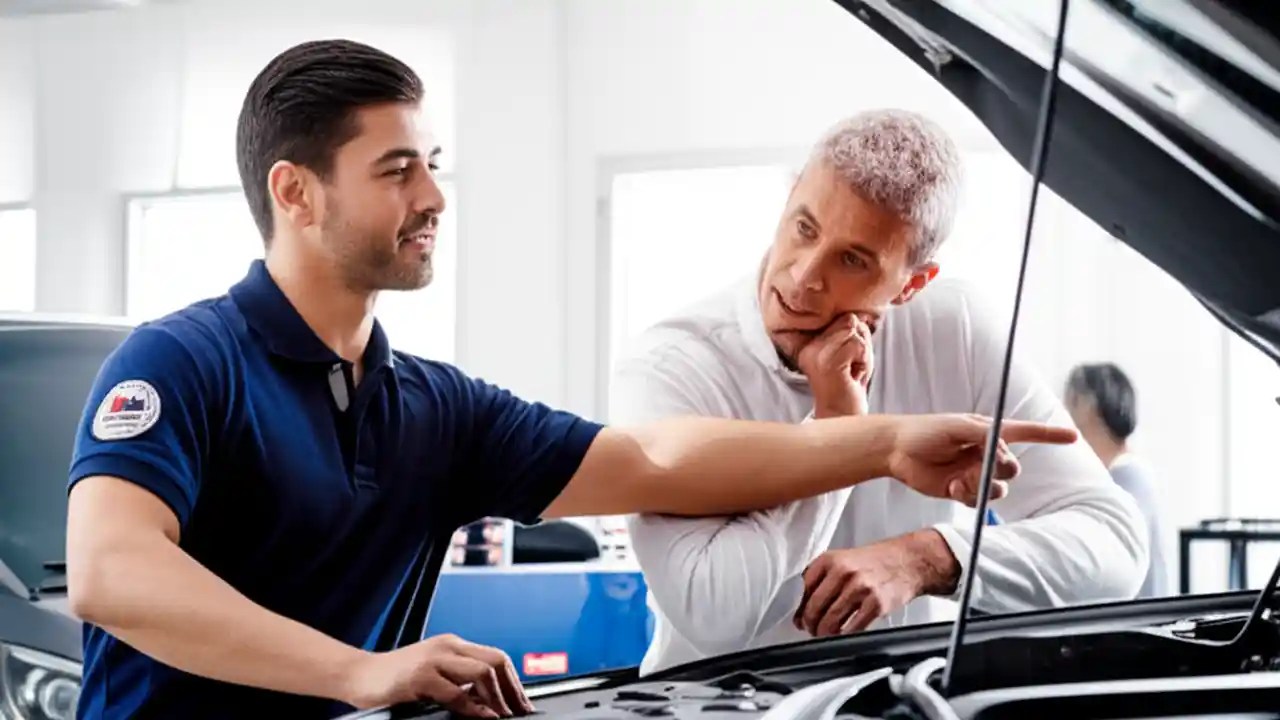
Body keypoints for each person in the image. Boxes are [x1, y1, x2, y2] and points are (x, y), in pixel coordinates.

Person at [62, 41, 1078, 720]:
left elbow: (650, 461)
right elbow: (115, 574)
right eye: (397, 170)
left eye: (433, 163)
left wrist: (875, 439)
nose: (433, 196)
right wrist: (361, 672)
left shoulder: (434, 408)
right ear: (296, 193)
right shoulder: (179, 361)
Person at [610, 109, 1150, 674]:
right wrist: (837, 430)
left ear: (912, 283)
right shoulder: (672, 365)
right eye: (804, 227)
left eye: (852, 260)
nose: (801, 280)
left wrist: (928, 558)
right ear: (790, 194)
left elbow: (1115, 544)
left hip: (904, 703)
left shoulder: (956, 329)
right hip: (721, 708)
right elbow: (713, 614)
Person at [1064, 362, 1169, 598]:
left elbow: (1098, 557)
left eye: (1072, 401)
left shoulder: (1128, 475)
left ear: (1089, 408)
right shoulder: (1123, 473)